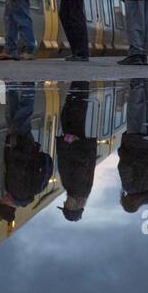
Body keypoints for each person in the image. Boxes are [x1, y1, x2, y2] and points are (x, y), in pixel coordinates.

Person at [0, 84, 52, 226]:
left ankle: (12, 87)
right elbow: (17, 166)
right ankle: (28, 86)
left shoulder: (26, 195)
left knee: (12, 116)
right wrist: (12, 147)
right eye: (2, 200)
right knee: (23, 116)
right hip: (21, 146)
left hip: (26, 147)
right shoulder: (17, 191)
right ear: (7, 204)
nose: (2, 197)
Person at [119, 79, 148, 212]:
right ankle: (138, 82)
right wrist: (122, 151)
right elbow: (125, 166)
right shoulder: (130, 187)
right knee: (135, 109)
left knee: (146, 110)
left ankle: (146, 83)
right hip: (134, 143)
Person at [56, 81, 97, 221]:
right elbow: (82, 162)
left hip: (73, 142)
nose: (64, 203)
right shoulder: (78, 189)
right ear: (72, 206)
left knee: (70, 113)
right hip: (74, 141)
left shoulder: (76, 191)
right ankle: (80, 82)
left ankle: (79, 84)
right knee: (73, 112)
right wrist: (72, 142)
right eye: (65, 205)